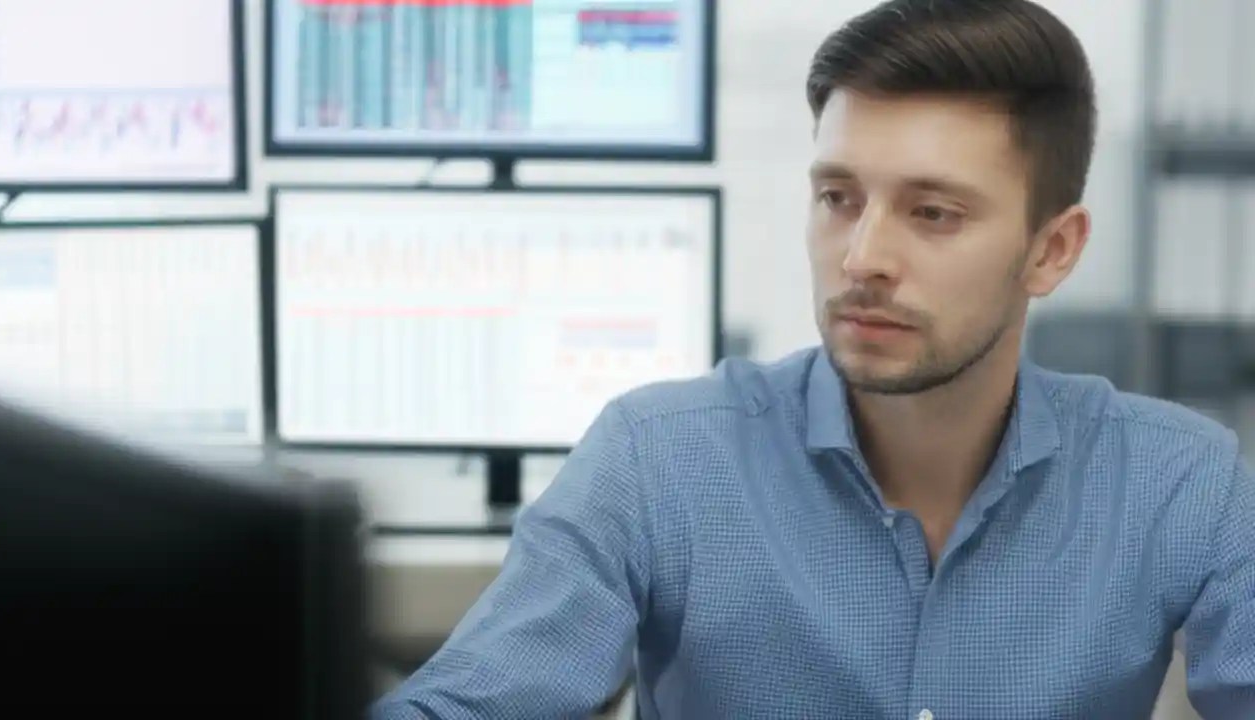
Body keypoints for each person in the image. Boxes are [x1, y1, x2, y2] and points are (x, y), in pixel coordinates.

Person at [373, 1, 1255, 717]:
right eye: (838, 197)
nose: (862, 257)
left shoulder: (1180, 482)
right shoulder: (660, 458)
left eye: (933, 213)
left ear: (1052, 251)